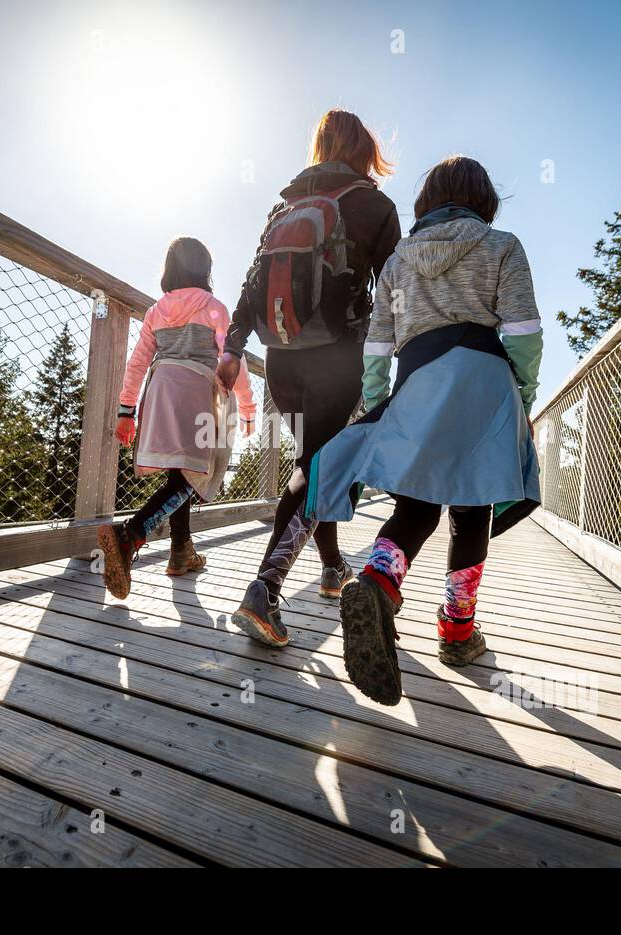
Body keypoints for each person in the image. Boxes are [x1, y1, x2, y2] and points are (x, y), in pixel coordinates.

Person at [306, 154, 544, 705]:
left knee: (415, 506)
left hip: (418, 388)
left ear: (426, 202)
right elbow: (525, 335)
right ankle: (458, 633)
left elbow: (377, 347)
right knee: (472, 509)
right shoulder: (502, 246)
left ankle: (378, 582)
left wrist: (378, 407)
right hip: (486, 388)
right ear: (484, 199)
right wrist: (520, 397)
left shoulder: (396, 263)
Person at [216, 109, 400, 648]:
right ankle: (265, 591)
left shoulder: (286, 204)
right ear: (365, 153)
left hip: (282, 360)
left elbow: (254, 284)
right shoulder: (373, 204)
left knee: (316, 464)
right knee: (319, 469)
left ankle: (331, 568)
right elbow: (394, 293)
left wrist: (233, 347)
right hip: (338, 355)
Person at [97, 237, 256, 599]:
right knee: (195, 472)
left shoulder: (157, 310)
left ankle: (181, 551)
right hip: (197, 392)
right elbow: (236, 364)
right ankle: (132, 533)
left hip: (160, 388)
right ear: (205, 269)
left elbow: (138, 362)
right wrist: (247, 409)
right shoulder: (214, 307)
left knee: (179, 470)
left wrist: (126, 410)